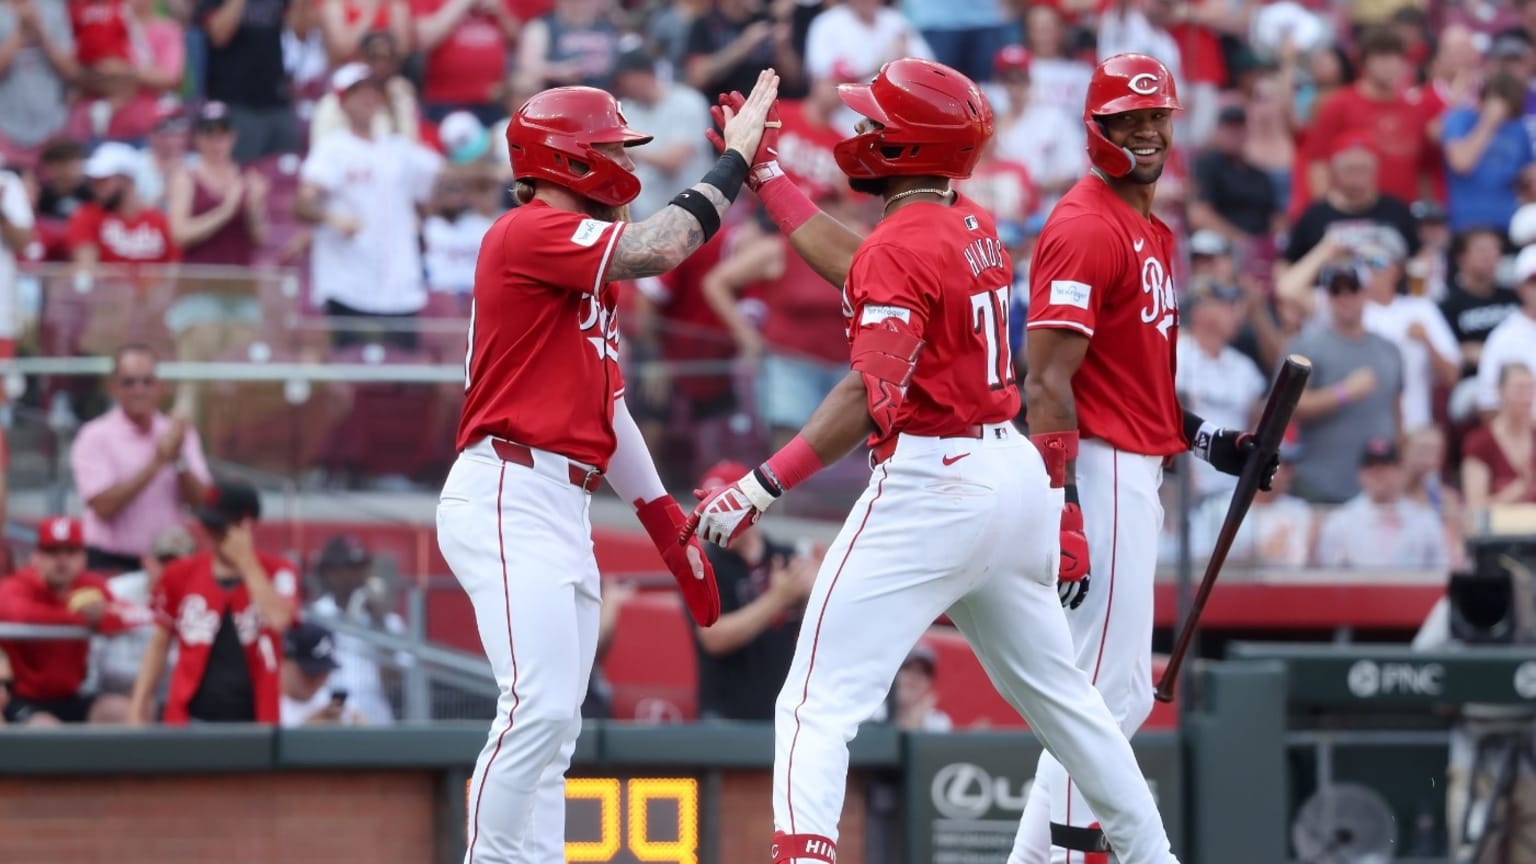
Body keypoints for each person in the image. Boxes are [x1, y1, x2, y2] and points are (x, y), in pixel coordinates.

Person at [687, 57, 1180, 864]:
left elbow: (867, 393)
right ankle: (1152, 855)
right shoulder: (972, 221)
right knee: (1071, 707)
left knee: (815, 703)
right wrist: (770, 177)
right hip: (1010, 475)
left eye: (875, 123)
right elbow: (866, 266)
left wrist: (761, 485)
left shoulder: (906, 244)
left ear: (906, 144)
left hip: (933, 480)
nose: (860, 133)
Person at [434, 71, 780, 864]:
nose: (626, 161)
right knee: (540, 711)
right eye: (612, 147)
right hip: (506, 488)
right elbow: (663, 245)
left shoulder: (572, 252)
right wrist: (732, 163)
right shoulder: (528, 230)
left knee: (558, 728)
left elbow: (609, 403)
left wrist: (661, 519)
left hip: (559, 500)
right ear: (568, 158)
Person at [1011, 54, 1274, 863]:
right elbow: (1046, 376)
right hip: (1097, 467)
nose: (1149, 132)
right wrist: (1064, 508)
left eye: (1157, 116)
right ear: (1097, 129)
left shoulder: (1147, 227)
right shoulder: (1087, 224)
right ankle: (1056, 853)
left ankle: (1035, 859)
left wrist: (1206, 440)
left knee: (1106, 690)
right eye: (1129, 119)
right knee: (1100, 691)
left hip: (1133, 462)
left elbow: (1138, 376)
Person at [128, 480, 299, 725]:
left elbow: (280, 619)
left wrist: (247, 562)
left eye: (219, 527)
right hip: (191, 720)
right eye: (206, 524)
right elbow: (159, 642)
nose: (210, 534)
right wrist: (138, 704)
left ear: (245, 525)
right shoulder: (180, 572)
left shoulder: (279, 571)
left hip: (255, 722)